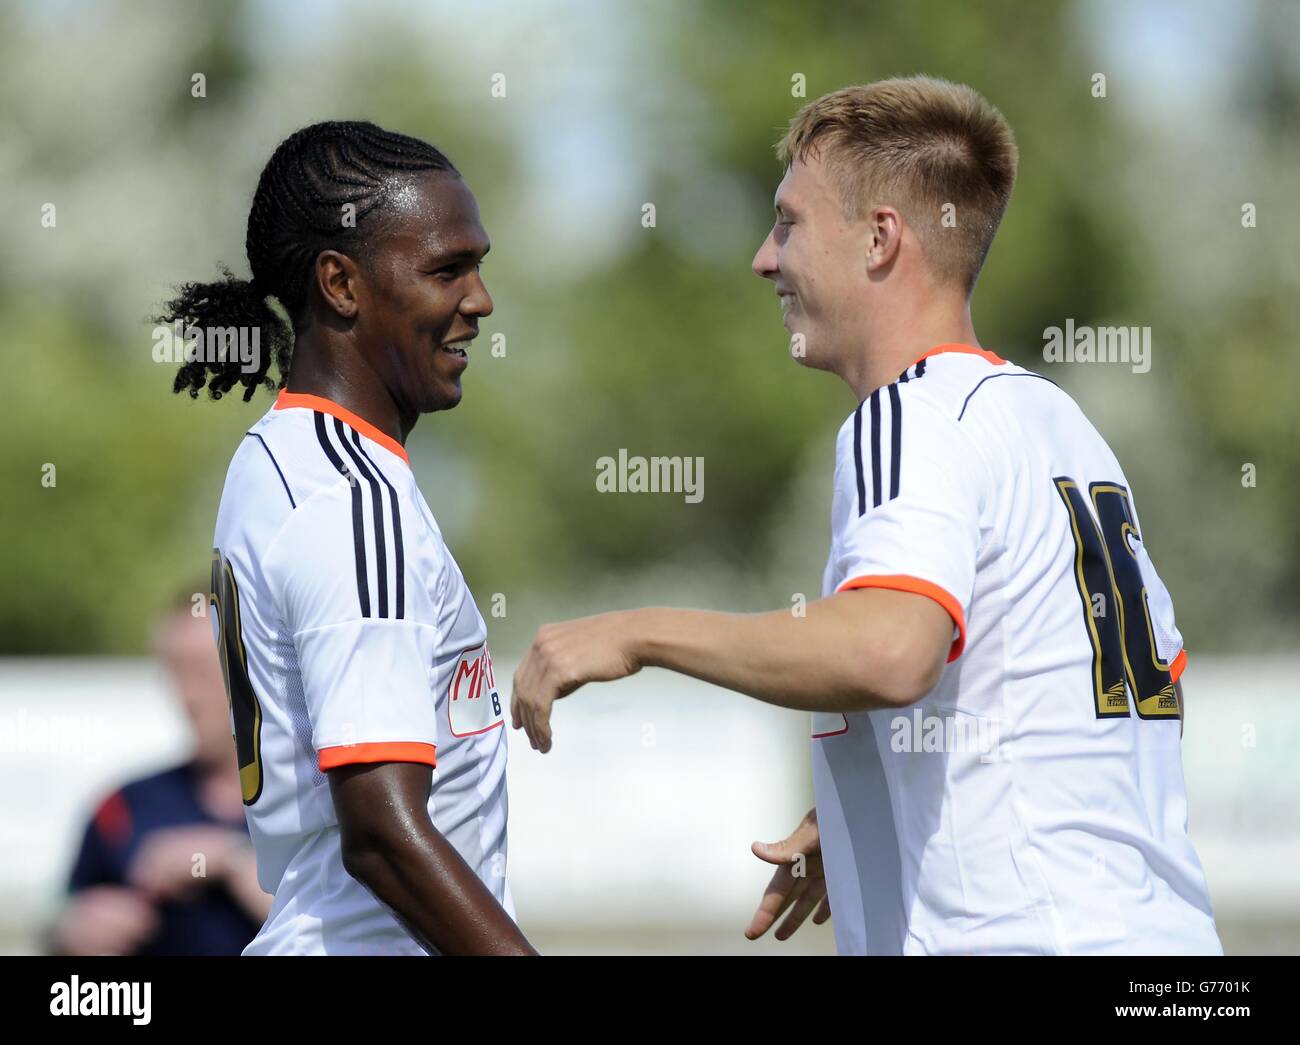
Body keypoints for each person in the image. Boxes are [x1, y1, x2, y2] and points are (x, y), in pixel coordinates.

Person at [509, 77, 1222, 956]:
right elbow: (1123, 698)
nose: (764, 259)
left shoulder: (907, 414)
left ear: (881, 238)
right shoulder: (1058, 422)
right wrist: (882, 794)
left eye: (789, 223)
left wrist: (638, 633)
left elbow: (890, 649)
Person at [163, 121, 533, 955]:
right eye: (447, 268)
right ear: (340, 283)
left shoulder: (277, 456)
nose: (480, 299)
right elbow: (383, 836)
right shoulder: (351, 499)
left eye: (478, 264)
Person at [50, 596, 270, 955]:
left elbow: (341, 934)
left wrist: (229, 861)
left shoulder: (318, 800)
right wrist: (74, 930)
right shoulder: (122, 805)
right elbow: (61, 916)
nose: (187, 695)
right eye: (174, 673)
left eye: (201, 671)